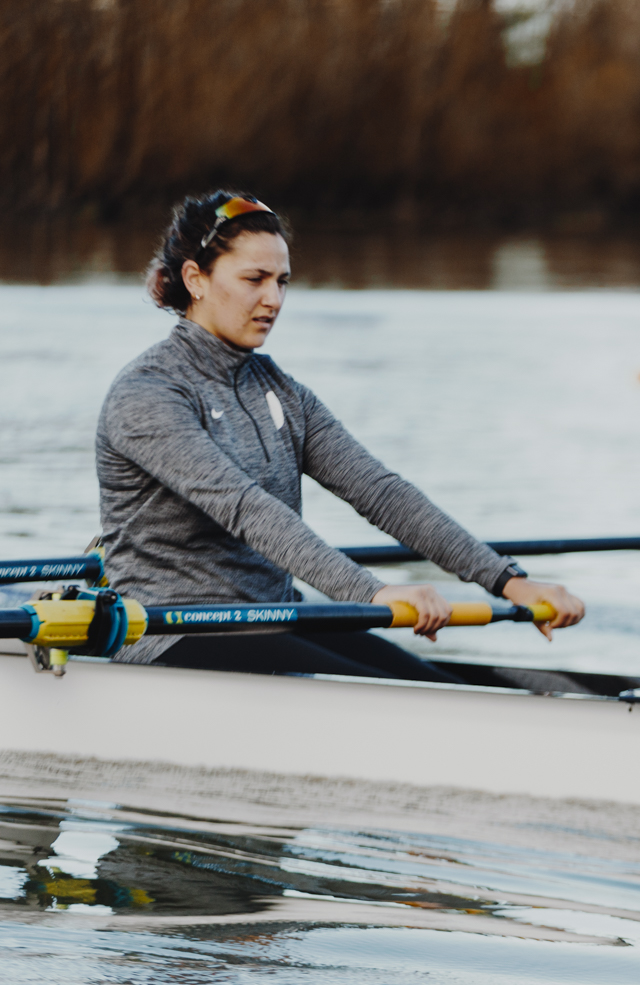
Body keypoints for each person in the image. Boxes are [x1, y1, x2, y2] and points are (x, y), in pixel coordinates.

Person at [96, 191, 584, 680]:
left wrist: (508, 582)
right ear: (195, 280)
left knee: (440, 687)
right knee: (415, 703)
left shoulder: (282, 392)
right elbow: (246, 509)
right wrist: (370, 594)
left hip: (275, 621)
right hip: (172, 634)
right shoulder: (148, 394)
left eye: (282, 281)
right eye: (255, 280)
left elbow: (380, 492)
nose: (274, 300)